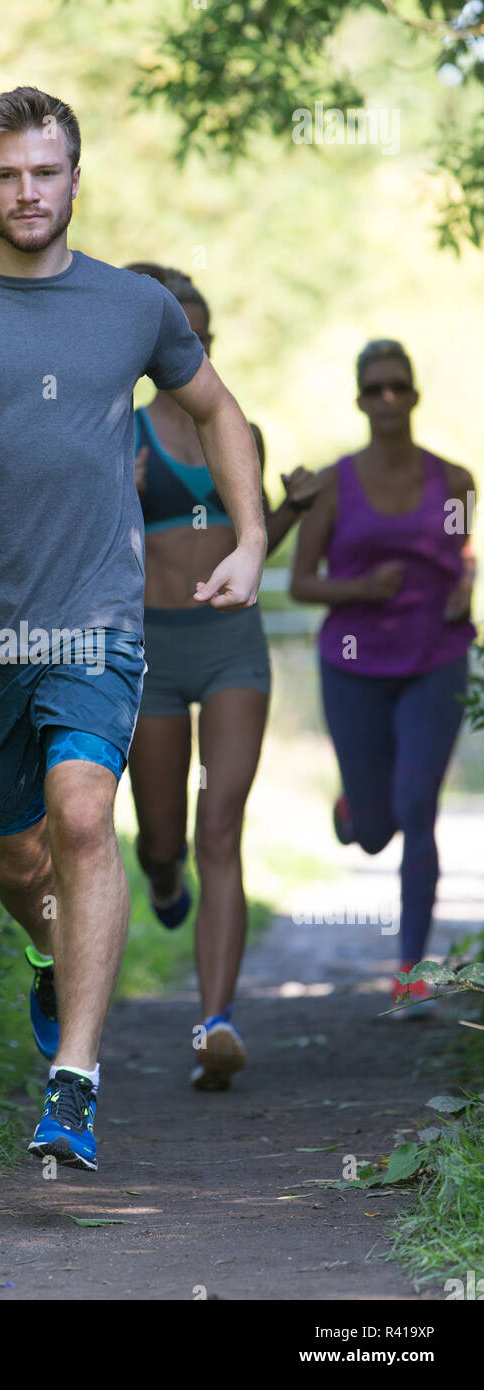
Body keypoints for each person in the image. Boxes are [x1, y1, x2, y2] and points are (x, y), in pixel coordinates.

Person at [0, 86, 266, 1171]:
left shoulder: (131, 306)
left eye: (44, 172)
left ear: (76, 178)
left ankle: (71, 1082)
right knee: (12, 847)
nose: (25, 192)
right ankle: (51, 951)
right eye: (5, 174)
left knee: (82, 817)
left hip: (93, 617)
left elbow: (216, 411)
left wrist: (251, 539)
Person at [124, 263, 319, 1088]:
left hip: (232, 645)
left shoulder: (239, 427)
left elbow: (250, 543)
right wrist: (117, 498)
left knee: (222, 829)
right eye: (179, 332)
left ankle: (215, 1025)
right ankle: (161, 878)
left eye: (202, 333)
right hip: (152, 649)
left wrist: (291, 512)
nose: (192, 344)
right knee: (165, 839)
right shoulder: (119, 431)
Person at [291, 339, 477, 1010]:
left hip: (436, 658)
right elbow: (304, 583)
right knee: (374, 831)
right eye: (376, 389)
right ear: (360, 400)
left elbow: (462, 550)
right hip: (353, 662)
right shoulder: (336, 485)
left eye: (399, 385)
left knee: (417, 809)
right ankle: (353, 809)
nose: (389, 398)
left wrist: (465, 587)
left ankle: (410, 971)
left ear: (416, 394)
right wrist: (365, 588)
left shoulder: (455, 481)